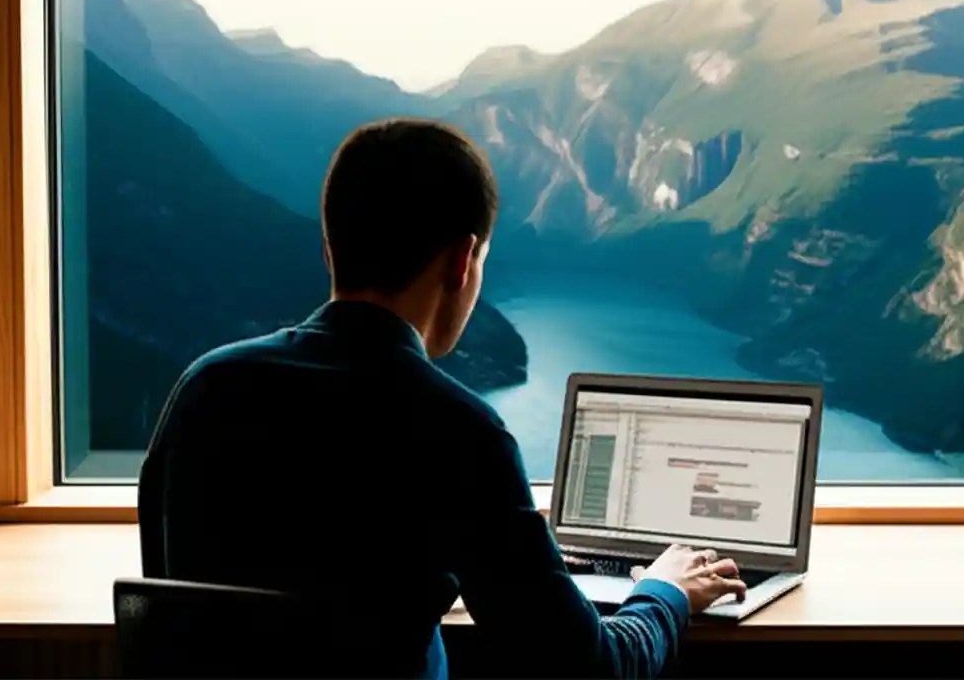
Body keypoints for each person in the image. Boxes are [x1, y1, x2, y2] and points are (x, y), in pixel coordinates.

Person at [137, 118, 747, 678]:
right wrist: (665, 591)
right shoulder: (458, 432)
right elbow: (588, 668)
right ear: (462, 262)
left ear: (329, 248)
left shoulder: (204, 389)